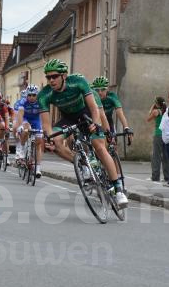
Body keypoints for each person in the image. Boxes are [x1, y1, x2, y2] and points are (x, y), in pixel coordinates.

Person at [39, 59, 128, 207]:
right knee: (54, 143)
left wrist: (95, 123)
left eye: (54, 76)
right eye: (48, 77)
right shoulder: (44, 94)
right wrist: (48, 138)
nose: (51, 80)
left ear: (64, 76)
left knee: (99, 146)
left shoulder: (78, 82)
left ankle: (118, 189)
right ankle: (83, 164)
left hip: (86, 113)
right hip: (68, 118)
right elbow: (47, 125)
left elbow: (94, 108)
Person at [90, 76, 133, 145]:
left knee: (113, 143)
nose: (100, 93)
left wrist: (126, 127)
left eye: (103, 89)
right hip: (95, 121)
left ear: (107, 89)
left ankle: (114, 152)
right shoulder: (91, 97)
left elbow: (120, 113)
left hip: (109, 122)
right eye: (97, 90)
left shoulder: (112, 97)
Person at [13, 84, 44, 178]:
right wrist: (20, 126)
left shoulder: (41, 102)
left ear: (37, 95)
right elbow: (20, 115)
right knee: (26, 130)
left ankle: (37, 168)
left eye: (34, 95)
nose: (31, 97)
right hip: (25, 119)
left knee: (38, 143)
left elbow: (44, 115)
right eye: (29, 95)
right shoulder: (23, 102)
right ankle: (21, 150)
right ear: (26, 95)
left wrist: (44, 129)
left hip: (36, 120)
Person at [146, 96, 169, 182]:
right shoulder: (167, 110)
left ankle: (155, 177)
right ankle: (167, 177)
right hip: (167, 135)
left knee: (156, 156)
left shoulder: (156, 111)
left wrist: (152, 107)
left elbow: (148, 119)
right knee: (166, 156)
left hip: (158, 134)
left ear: (157, 103)